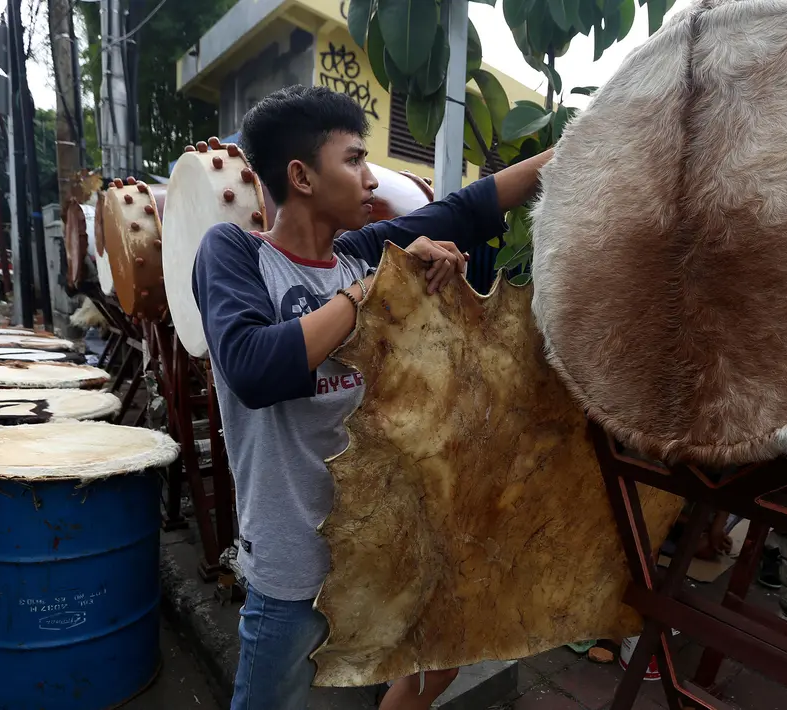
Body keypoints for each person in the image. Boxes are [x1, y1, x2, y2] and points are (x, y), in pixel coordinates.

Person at [192, 85, 552, 710]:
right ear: (301, 176)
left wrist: (577, 149)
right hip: (291, 575)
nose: (369, 177)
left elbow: (469, 207)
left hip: (378, 554)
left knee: (421, 668)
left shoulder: (360, 251)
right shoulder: (235, 255)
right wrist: (375, 288)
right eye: (354, 159)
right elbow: (254, 369)